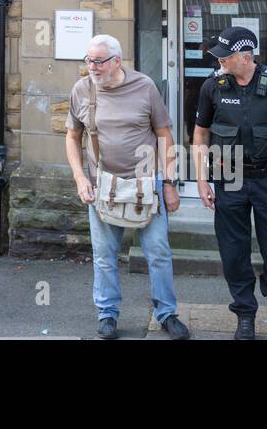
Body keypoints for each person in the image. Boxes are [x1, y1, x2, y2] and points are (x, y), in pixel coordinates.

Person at [65, 35, 190, 340]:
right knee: (105, 255)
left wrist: (169, 183)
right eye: (89, 60)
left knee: (158, 251)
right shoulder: (81, 90)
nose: (92, 67)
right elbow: (71, 137)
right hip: (102, 186)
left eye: (98, 61)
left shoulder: (144, 86)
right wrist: (81, 178)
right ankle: (107, 314)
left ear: (117, 61)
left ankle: (166, 313)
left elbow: (165, 134)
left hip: (147, 185)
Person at [192, 25, 267, 340]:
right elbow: (201, 135)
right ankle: (245, 314)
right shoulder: (212, 86)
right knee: (233, 250)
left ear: (245, 56)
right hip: (229, 178)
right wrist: (201, 179)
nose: (219, 62)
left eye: (225, 57)